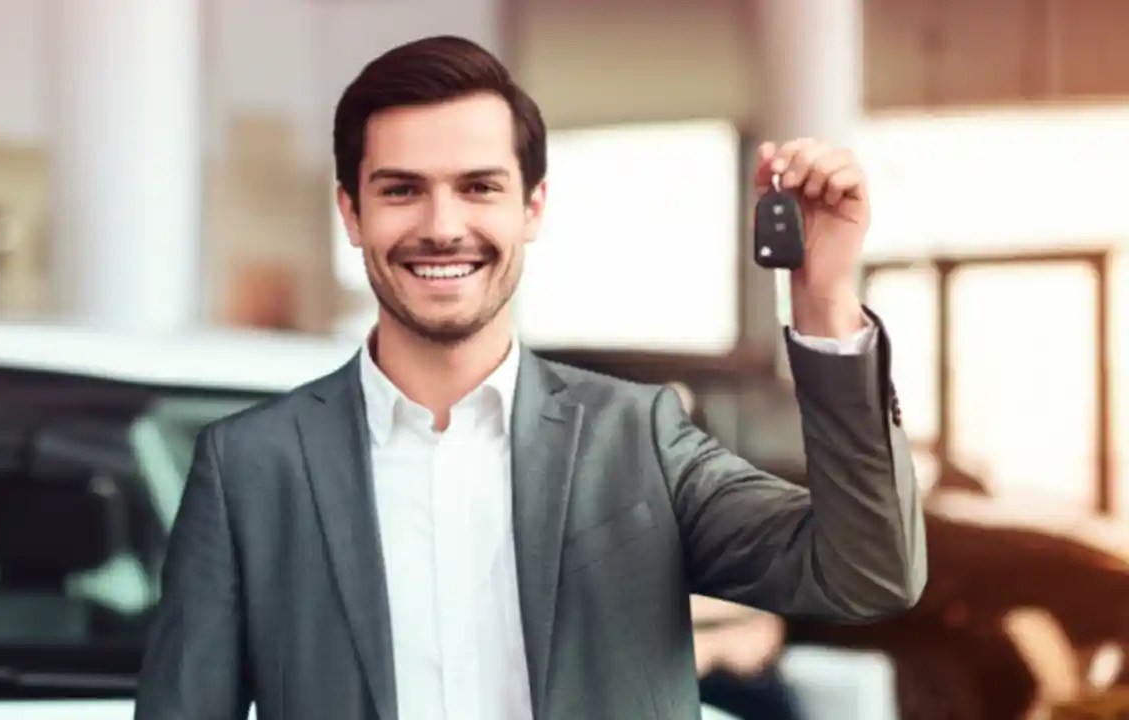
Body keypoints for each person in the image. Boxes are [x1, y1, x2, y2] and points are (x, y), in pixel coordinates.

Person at [134, 35, 926, 720]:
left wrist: (823, 298)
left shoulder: (636, 438)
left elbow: (869, 573)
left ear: (533, 207)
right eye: (402, 189)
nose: (442, 227)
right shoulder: (249, 469)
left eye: (479, 186)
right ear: (350, 211)